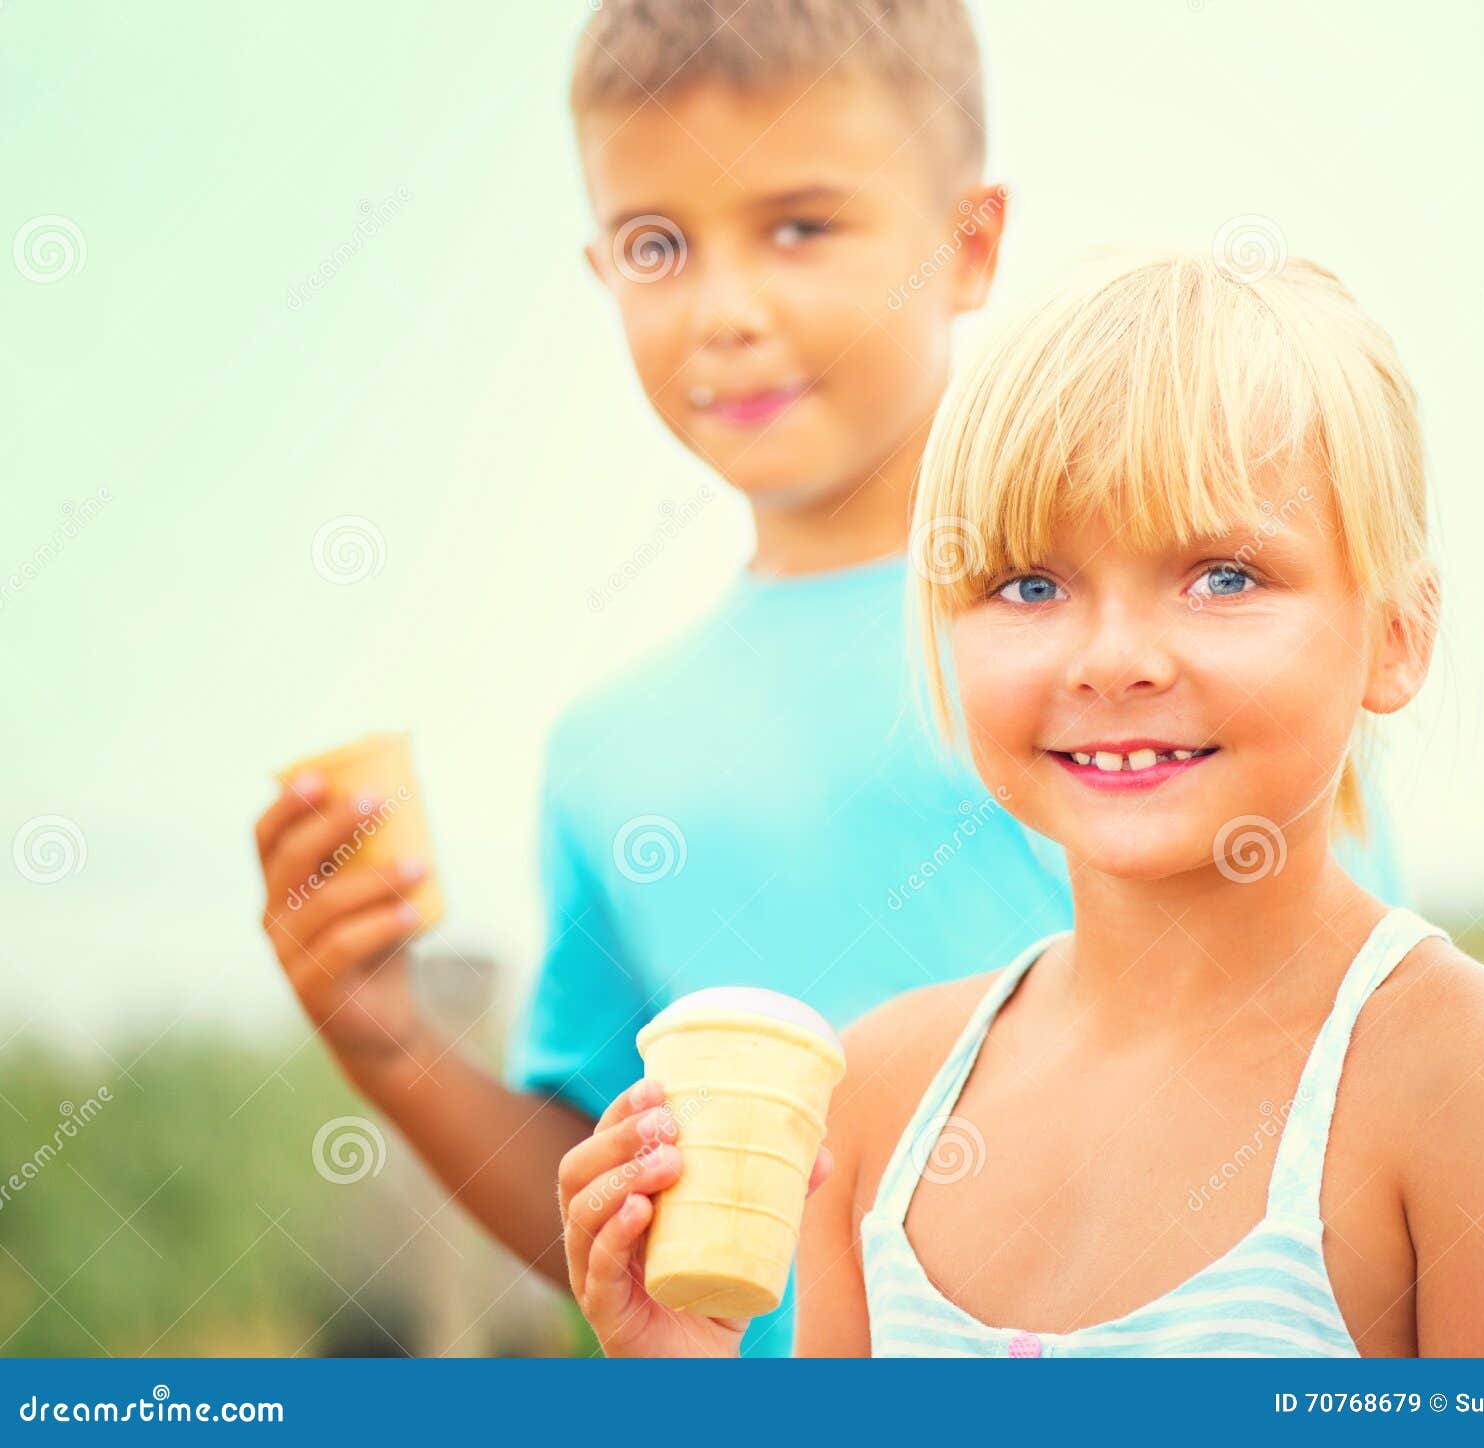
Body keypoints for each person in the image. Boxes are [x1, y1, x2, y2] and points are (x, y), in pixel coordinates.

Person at [253, 0, 1403, 1359]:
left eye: (800, 227)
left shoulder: (1143, 663)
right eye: (657, 245)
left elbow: (1350, 1057)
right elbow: (621, 1211)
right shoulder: (612, 757)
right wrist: (385, 1037)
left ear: (966, 245)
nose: (727, 312)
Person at [558, 251, 1484, 1357]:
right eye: (1030, 584)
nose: (1112, 660)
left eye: (1225, 576)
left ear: (1396, 635)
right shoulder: (881, 1097)